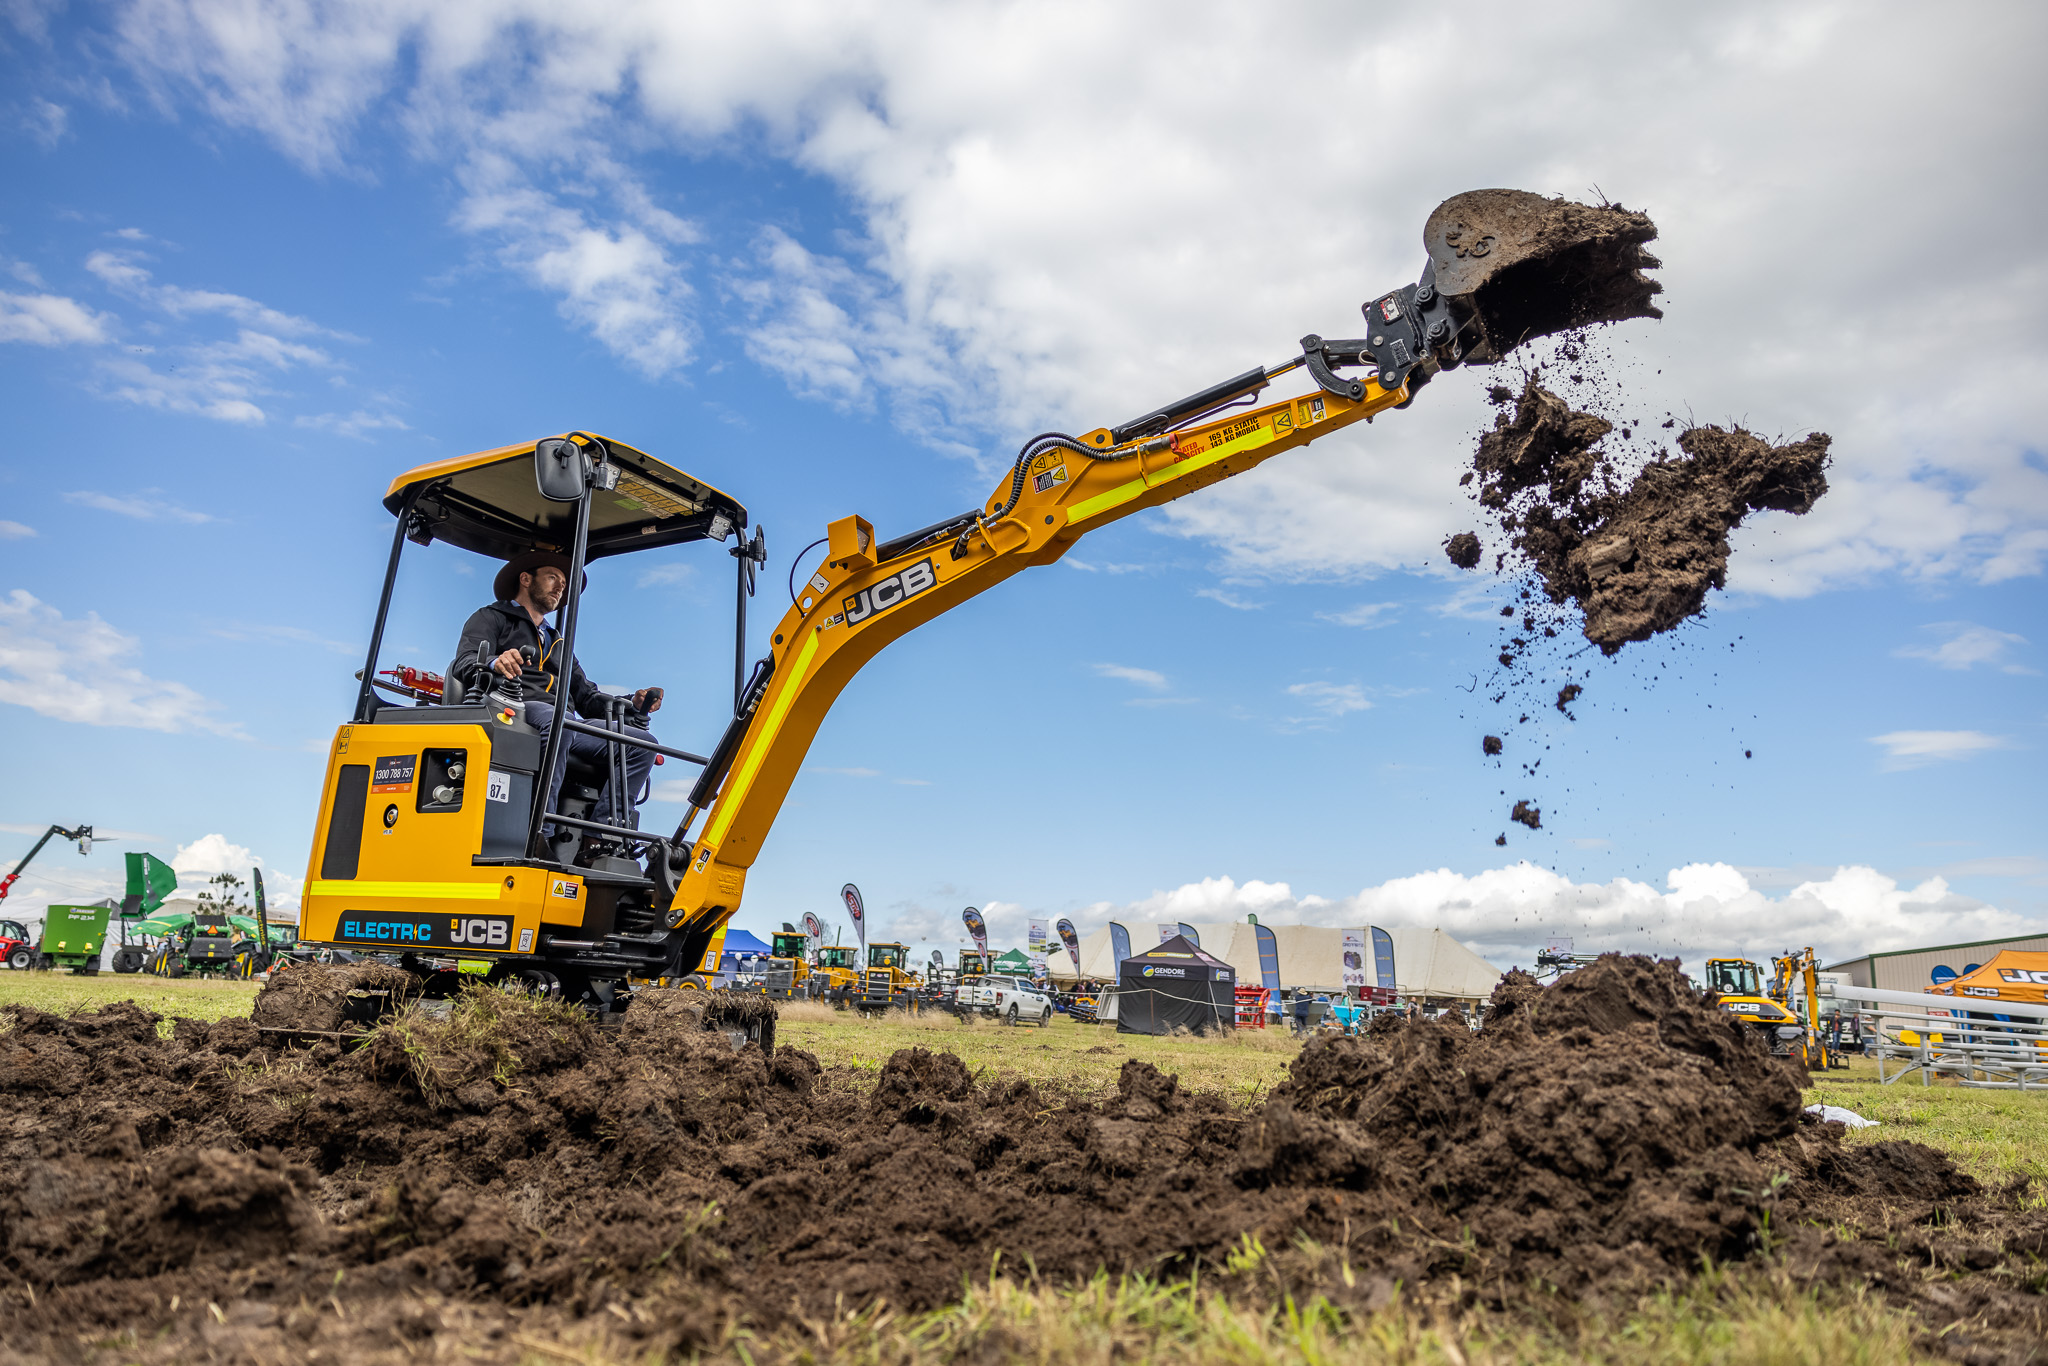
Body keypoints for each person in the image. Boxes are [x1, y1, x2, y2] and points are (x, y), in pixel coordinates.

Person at [453, 550, 663, 840]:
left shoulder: (558, 642)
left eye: (563, 582)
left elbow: (588, 698)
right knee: (559, 724)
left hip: (564, 720)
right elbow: (464, 662)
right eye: (553, 577)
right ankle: (539, 833)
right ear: (526, 579)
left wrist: (632, 703)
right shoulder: (492, 618)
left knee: (642, 744)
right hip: (517, 708)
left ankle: (600, 838)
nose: (560, 586)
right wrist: (495, 662)